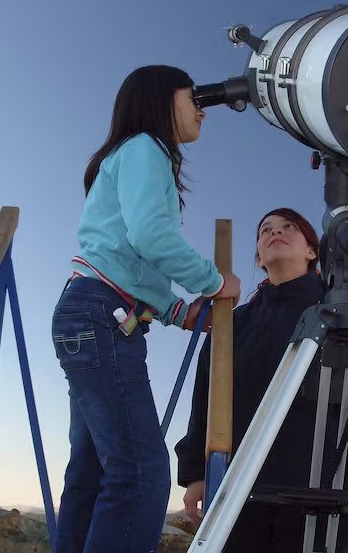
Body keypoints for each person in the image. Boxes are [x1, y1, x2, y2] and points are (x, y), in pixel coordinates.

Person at [51, 65, 242, 553]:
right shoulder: (145, 148)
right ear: (159, 98)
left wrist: (178, 313)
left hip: (100, 312)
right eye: (194, 95)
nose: (204, 107)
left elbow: (130, 261)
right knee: (140, 473)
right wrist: (215, 282)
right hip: (102, 317)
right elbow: (151, 238)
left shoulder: (130, 154)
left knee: (92, 474)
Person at [174, 208, 348, 553]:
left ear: (313, 251)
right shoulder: (231, 324)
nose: (274, 232)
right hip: (238, 494)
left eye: (288, 228)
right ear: (259, 257)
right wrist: (195, 473)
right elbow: (204, 401)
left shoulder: (341, 315)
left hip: (321, 493)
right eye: (265, 230)